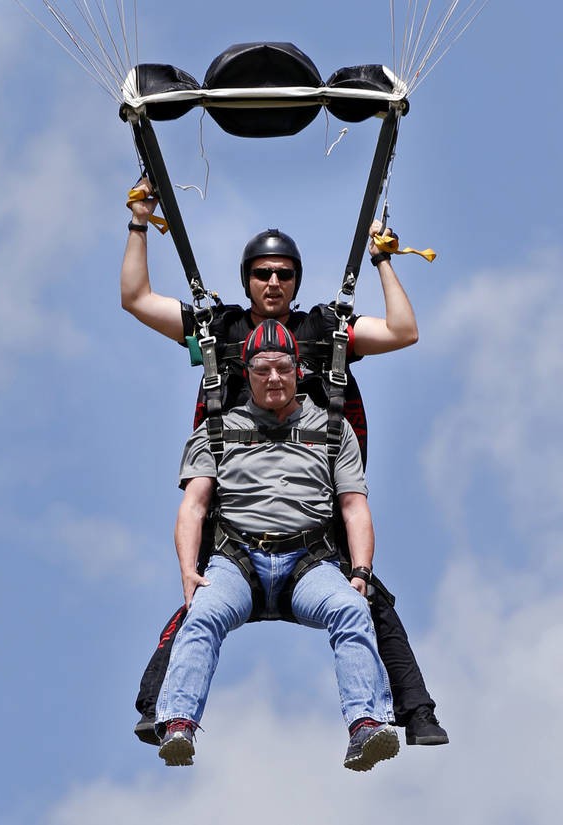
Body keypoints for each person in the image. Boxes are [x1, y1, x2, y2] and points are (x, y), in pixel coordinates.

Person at [122, 178, 448, 747]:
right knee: (199, 607)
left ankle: (413, 715)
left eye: (284, 273)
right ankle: (159, 710)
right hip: (239, 505)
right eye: (262, 273)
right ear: (246, 280)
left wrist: (383, 263)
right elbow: (136, 299)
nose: (273, 282)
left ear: (296, 280)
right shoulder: (218, 331)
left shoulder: (324, 330)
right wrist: (137, 223)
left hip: (315, 503)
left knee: (370, 604)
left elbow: (403, 330)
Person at [157, 320, 399, 771]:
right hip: (238, 560)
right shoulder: (217, 429)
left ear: (299, 369)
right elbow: (193, 506)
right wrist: (189, 571)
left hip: (307, 561)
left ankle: (367, 723)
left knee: (351, 609)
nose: (274, 378)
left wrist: (361, 572)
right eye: (263, 369)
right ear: (246, 373)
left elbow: (354, 507)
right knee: (203, 614)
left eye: (283, 368)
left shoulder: (332, 428)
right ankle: (177, 723)